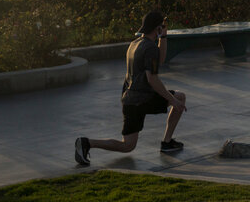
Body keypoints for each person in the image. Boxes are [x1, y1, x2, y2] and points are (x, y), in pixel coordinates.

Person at [74, 10, 187, 165]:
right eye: (162, 27)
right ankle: (166, 143)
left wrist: (164, 37)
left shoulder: (135, 44)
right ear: (157, 28)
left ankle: (86, 143)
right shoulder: (150, 48)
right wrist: (172, 100)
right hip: (143, 99)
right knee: (179, 97)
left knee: (127, 146)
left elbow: (160, 61)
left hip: (131, 100)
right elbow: (153, 79)